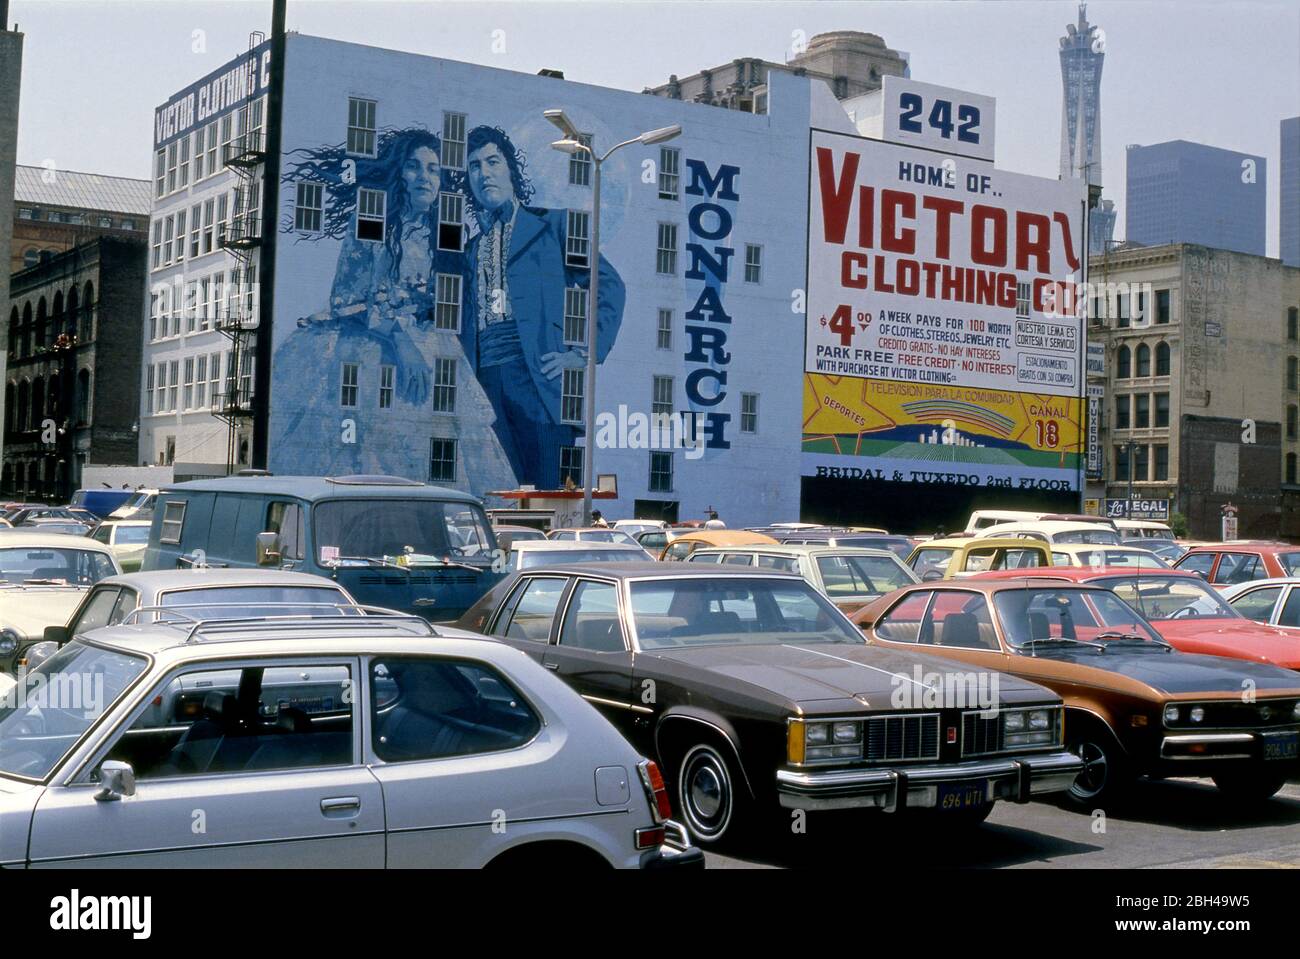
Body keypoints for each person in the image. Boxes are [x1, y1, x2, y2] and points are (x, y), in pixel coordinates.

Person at [270, 128, 514, 489]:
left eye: (433, 170)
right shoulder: (373, 220)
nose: (424, 177)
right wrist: (399, 337)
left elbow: (449, 305)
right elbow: (344, 299)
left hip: (436, 356)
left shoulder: (446, 233)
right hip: (373, 351)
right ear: (399, 173)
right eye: (414, 167)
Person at [460, 125, 626, 488]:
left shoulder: (555, 226)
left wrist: (584, 352)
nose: (484, 172)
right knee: (503, 488)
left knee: (549, 487)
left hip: (538, 375)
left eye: (492, 161)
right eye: (474, 166)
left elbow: (609, 286)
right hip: (486, 378)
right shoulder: (471, 249)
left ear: (511, 170)